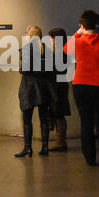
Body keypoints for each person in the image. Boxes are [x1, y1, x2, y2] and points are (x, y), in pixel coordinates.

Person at [65, 9, 99, 166]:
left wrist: (77, 33)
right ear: (97, 24)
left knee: (86, 122)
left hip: (80, 85)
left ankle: (89, 157)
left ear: (82, 25)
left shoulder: (77, 42)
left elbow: (65, 50)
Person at [15, 25, 55, 158]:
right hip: (43, 88)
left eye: (26, 32)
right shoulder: (47, 49)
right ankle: (45, 147)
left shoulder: (27, 49)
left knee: (27, 119)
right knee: (43, 119)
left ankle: (28, 148)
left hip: (29, 88)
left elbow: (25, 69)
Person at [47, 27, 70, 151]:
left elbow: (57, 70)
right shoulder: (63, 51)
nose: (51, 40)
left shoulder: (60, 53)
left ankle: (60, 141)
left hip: (58, 87)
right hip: (61, 85)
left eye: (52, 38)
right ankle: (61, 140)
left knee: (58, 114)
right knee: (59, 114)